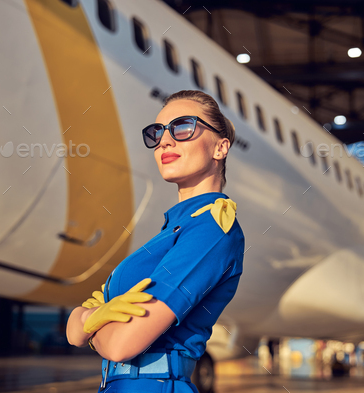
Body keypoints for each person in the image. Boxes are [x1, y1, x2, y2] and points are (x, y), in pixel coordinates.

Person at [66, 90, 245, 392]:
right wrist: (91, 323)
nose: (165, 140)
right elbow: (71, 331)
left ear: (220, 147)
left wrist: (89, 320)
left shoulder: (212, 230)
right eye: (157, 132)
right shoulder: (172, 231)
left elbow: (120, 346)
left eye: (183, 127)